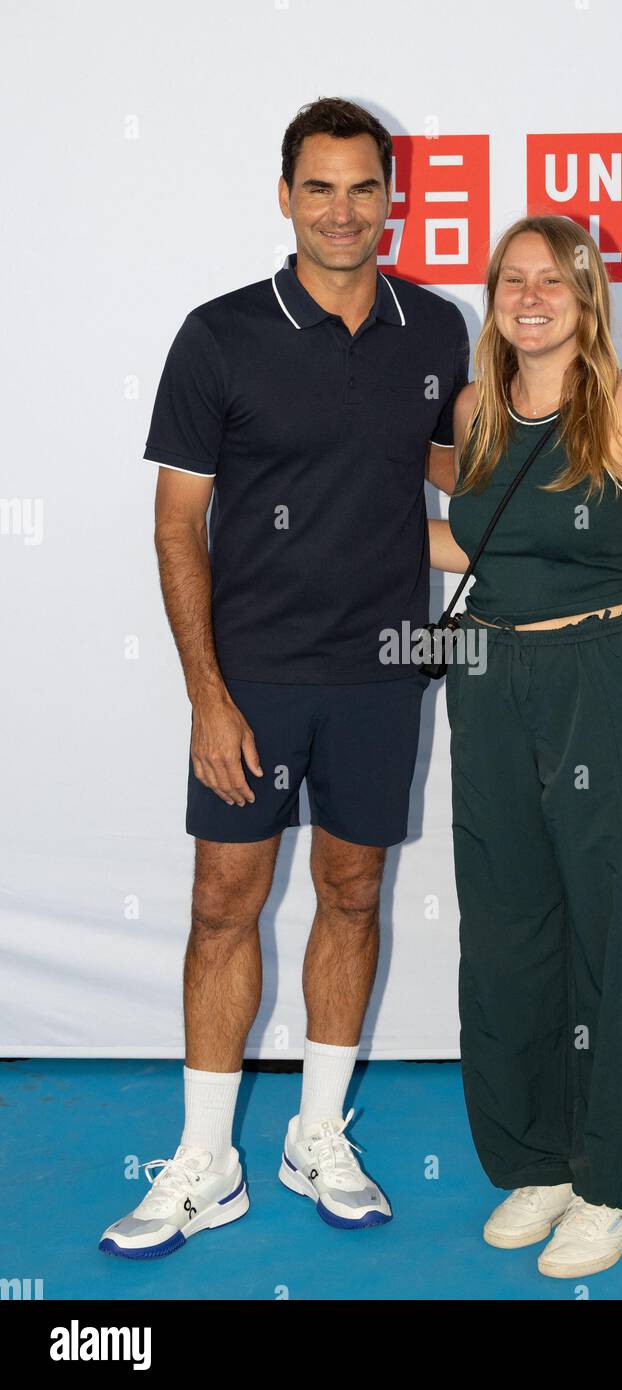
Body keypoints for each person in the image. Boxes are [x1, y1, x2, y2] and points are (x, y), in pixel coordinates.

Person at [99, 97, 469, 1259]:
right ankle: (207, 1160)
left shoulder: (437, 330)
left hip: (382, 672)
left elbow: (452, 502)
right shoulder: (218, 335)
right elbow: (175, 529)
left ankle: (317, 1132)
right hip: (252, 677)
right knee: (224, 907)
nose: (343, 211)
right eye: (320, 188)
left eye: (364, 188)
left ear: (391, 196)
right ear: (284, 196)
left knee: (353, 896)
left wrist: (575, 538)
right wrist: (209, 693)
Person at [428, 215, 622, 1280]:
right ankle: (536, 1158)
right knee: (504, 927)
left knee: (616, 932)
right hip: (488, 681)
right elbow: (473, 540)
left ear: (587, 299)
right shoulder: (473, 411)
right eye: (510, 279)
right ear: (491, 294)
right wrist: (343, 516)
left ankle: (612, 1185)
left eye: (553, 280)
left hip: (602, 678)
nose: (529, 295)